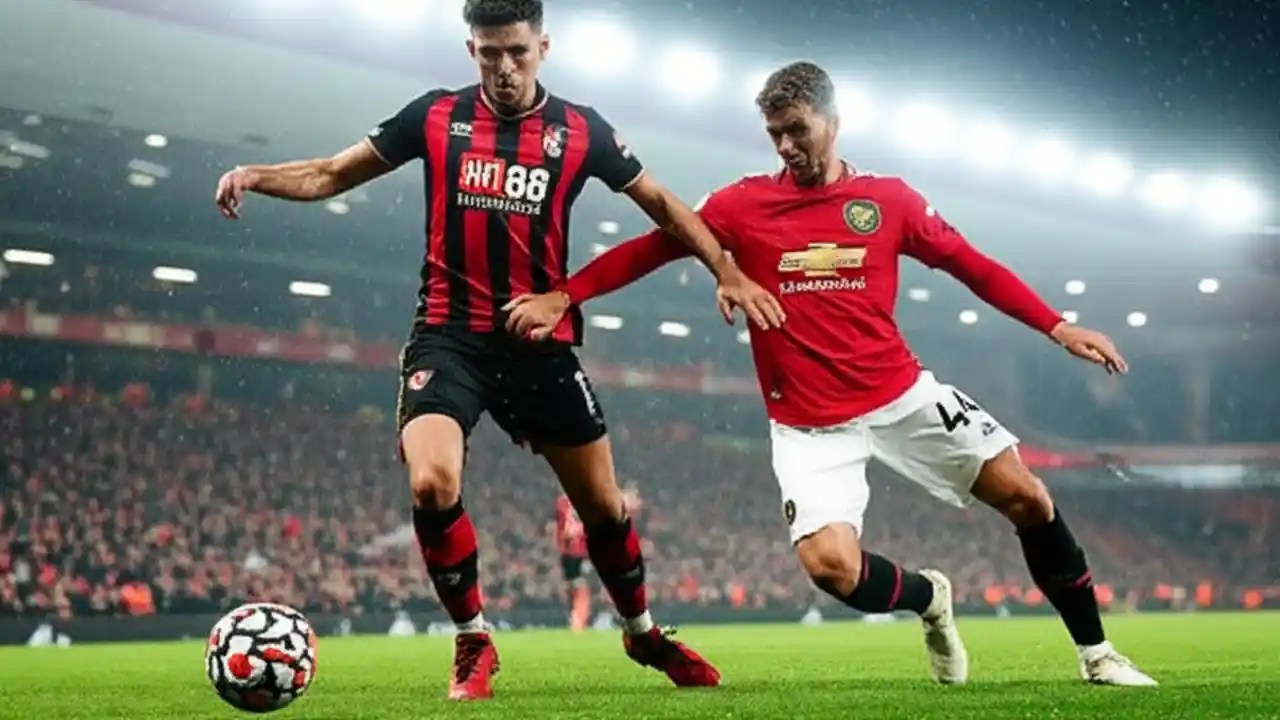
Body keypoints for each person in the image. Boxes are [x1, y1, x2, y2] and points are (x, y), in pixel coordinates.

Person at [504, 60, 1158, 687]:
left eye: (798, 130)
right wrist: (567, 295)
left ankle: (1098, 654)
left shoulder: (888, 200)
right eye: (775, 134)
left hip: (902, 395)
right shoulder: (741, 205)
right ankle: (931, 598)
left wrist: (1056, 325)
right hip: (809, 426)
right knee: (832, 569)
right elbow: (650, 248)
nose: (786, 145)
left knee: (1029, 498)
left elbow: (972, 266)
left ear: (833, 121)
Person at [213, 0, 783, 701]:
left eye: (517, 52)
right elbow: (332, 173)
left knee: (603, 510)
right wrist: (255, 174)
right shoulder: (435, 117)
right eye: (490, 55)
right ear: (470, 50)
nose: (505, 69)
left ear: (543, 45)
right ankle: (474, 640)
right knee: (431, 482)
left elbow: (663, 205)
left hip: (538, 344)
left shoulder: (580, 130)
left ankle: (641, 632)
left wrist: (724, 267)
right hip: (447, 337)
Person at [553, 493, 591, 631]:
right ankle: (577, 620)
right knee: (578, 587)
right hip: (575, 553)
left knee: (577, 587)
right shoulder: (566, 503)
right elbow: (566, 532)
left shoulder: (564, 503)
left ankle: (577, 619)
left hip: (573, 553)